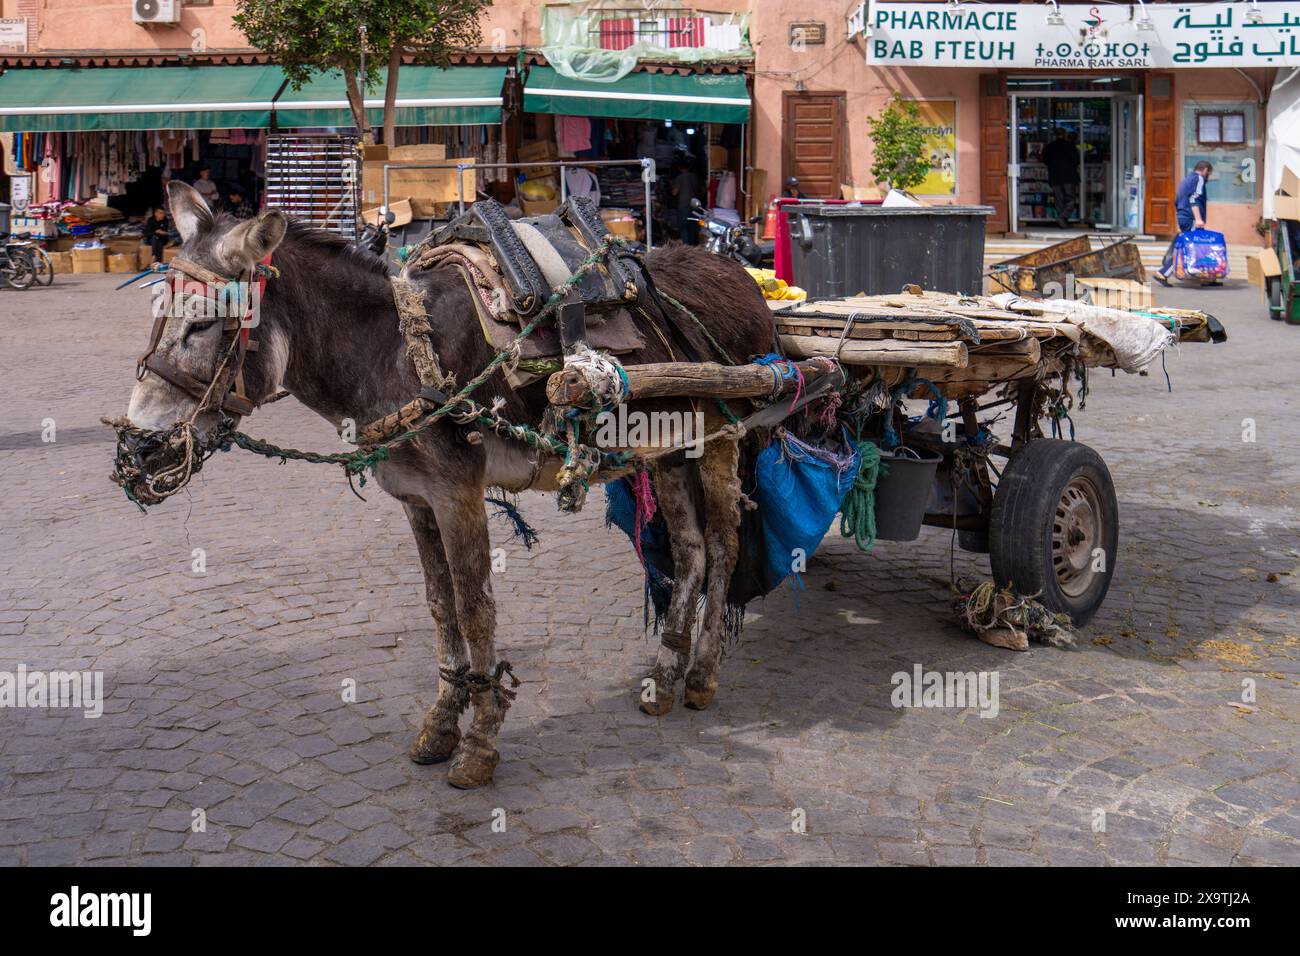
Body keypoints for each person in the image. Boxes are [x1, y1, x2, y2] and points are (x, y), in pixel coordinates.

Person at [1155, 160, 1213, 285]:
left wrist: (1180, 218)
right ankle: (1163, 272)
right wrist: (1198, 218)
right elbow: (1194, 198)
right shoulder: (1199, 179)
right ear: (1205, 170)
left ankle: (1206, 277)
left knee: (1194, 247)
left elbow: (1177, 200)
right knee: (1187, 248)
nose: (1208, 176)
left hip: (1184, 216)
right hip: (1191, 218)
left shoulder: (1185, 181)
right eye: (1209, 173)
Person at [1042, 127, 1078, 228]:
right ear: (1065, 134)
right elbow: (1076, 160)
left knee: (1059, 199)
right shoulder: (1070, 146)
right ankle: (1063, 217)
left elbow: (1045, 160)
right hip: (1069, 176)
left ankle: (1062, 220)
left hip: (1055, 176)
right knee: (1070, 199)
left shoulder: (1049, 147)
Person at [670, 159, 700, 245]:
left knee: (684, 229)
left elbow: (674, 192)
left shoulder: (679, 178)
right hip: (695, 205)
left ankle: (687, 249)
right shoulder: (694, 177)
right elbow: (701, 190)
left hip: (684, 205)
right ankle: (693, 247)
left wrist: (671, 186)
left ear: (679, 168)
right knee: (693, 228)